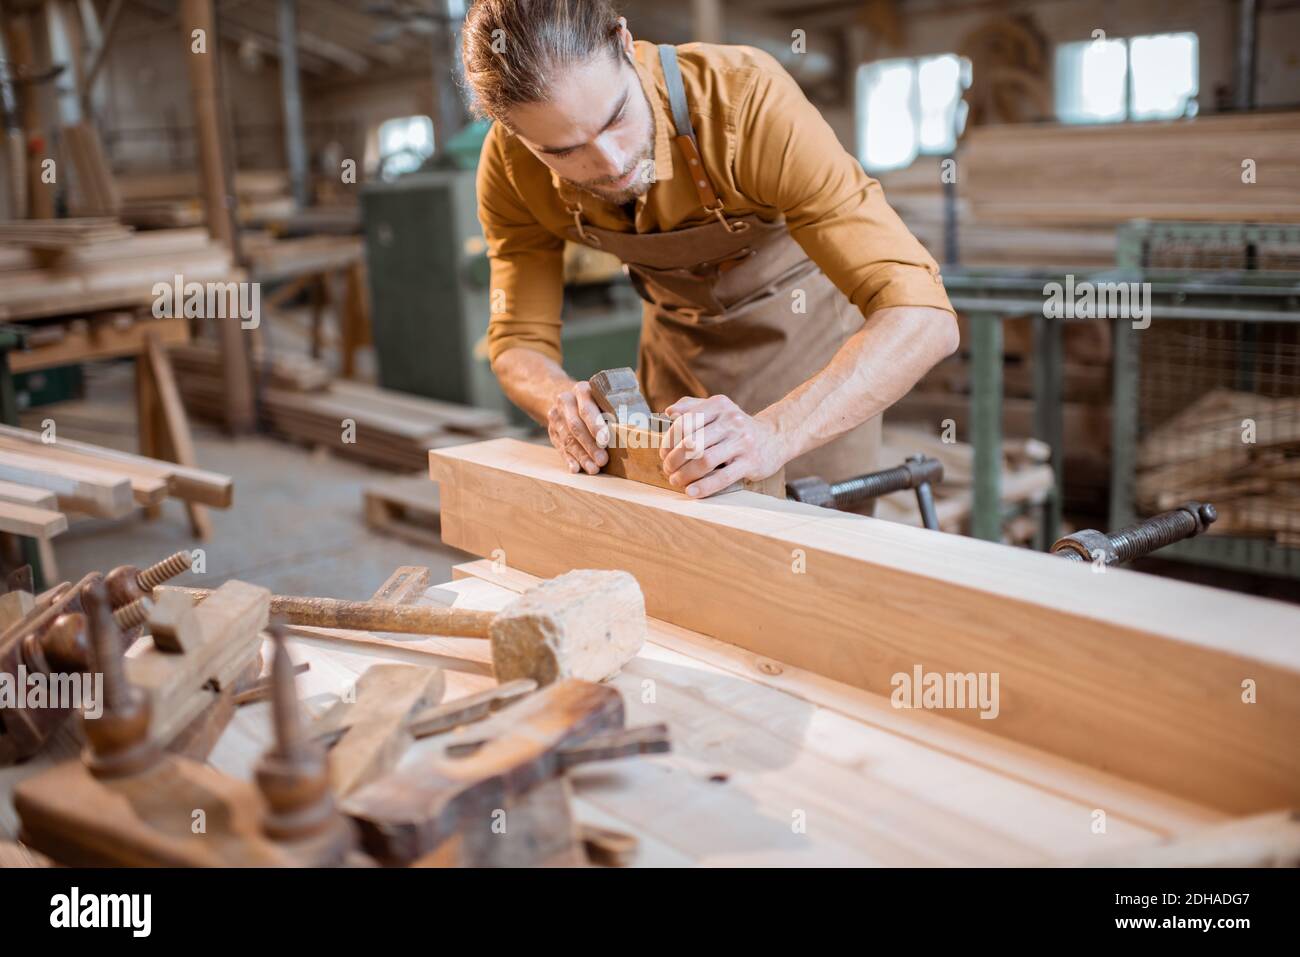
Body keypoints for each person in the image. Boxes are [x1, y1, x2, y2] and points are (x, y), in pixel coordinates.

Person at [463, 0, 958, 500]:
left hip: (807, 360)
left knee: (813, 552)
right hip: (677, 361)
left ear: (622, 42)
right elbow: (518, 341)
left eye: (615, 118)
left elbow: (922, 315)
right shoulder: (509, 171)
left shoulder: (747, 103)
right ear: (512, 132)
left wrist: (777, 432)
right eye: (565, 151)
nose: (611, 164)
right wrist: (563, 404)